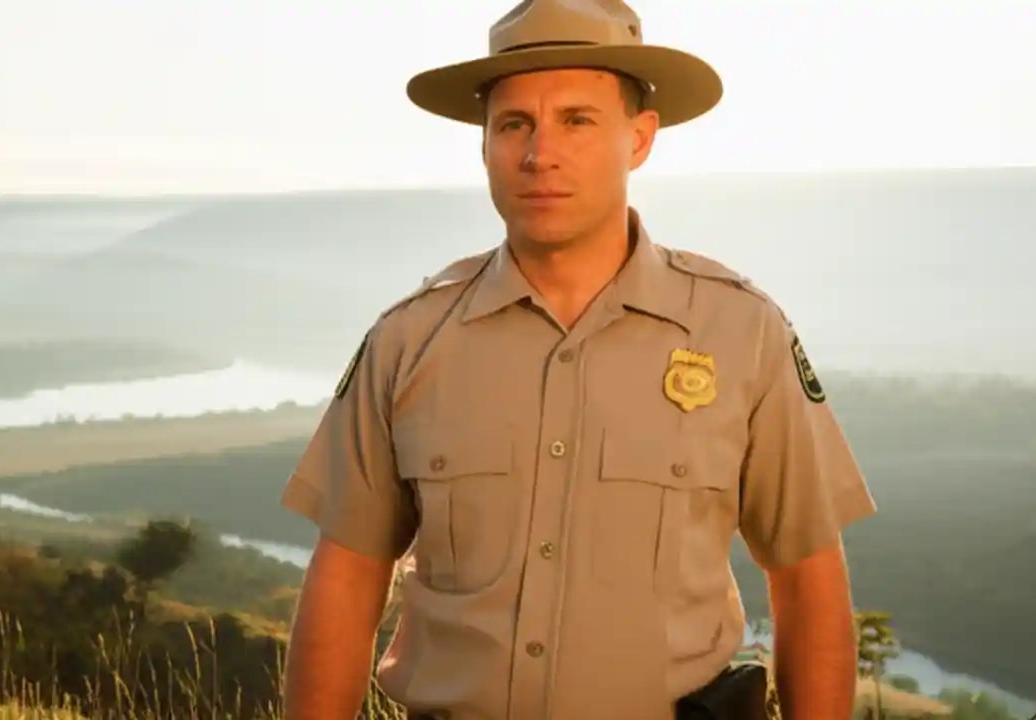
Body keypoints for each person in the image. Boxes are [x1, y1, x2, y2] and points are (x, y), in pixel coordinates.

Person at [278, 1, 877, 718]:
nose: (540, 155)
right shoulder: (409, 341)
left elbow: (808, 575)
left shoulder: (741, 331)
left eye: (577, 120)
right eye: (514, 125)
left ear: (640, 138)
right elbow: (347, 574)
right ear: (484, 145)